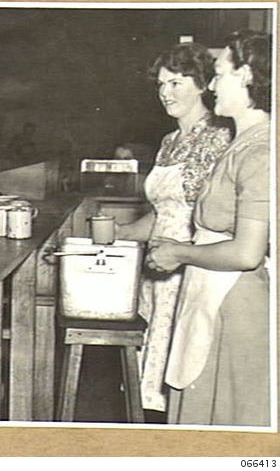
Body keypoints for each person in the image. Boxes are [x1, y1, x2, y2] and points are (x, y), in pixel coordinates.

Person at [147, 31, 272, 426]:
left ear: (248, 76)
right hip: (210, 295)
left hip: (234, 304)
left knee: (226, 426)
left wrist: (179, 252)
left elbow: (247, 253)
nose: (213, 85)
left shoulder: (261, 150)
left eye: (219, 74)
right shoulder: (241, 142)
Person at [116, 42, 231, 417]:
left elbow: (216, 215)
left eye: (177, 83)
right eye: (161, 85)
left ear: (203, 85)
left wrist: (178, 251)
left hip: (192, 266)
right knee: (152, 369)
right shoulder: (169, 142)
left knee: (182, 376)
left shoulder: (218, 138)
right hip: (160, 272)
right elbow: (163, 214)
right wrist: (115, 233)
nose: (166, 93)